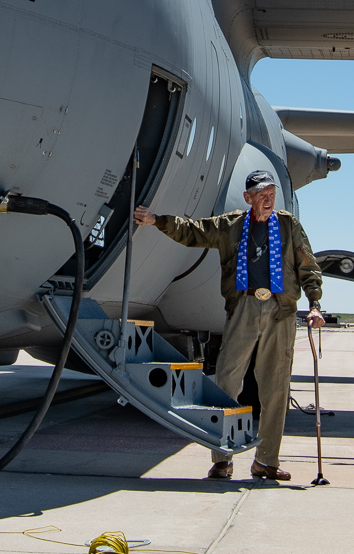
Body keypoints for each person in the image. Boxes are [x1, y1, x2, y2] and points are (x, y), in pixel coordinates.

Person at [134, 169, 325, 481]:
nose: (268, 198)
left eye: (271, 193)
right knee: (226, 384)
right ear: (248, 197)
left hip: (281, 312)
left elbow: (307, 265)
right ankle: (222, 458)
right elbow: (192, 232)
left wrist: (315, 304)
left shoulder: (288, 224)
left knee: (275, 389)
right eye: (261, 194)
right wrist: (156, 220)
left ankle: (266, 462)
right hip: (244, 308)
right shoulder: (231, 225)